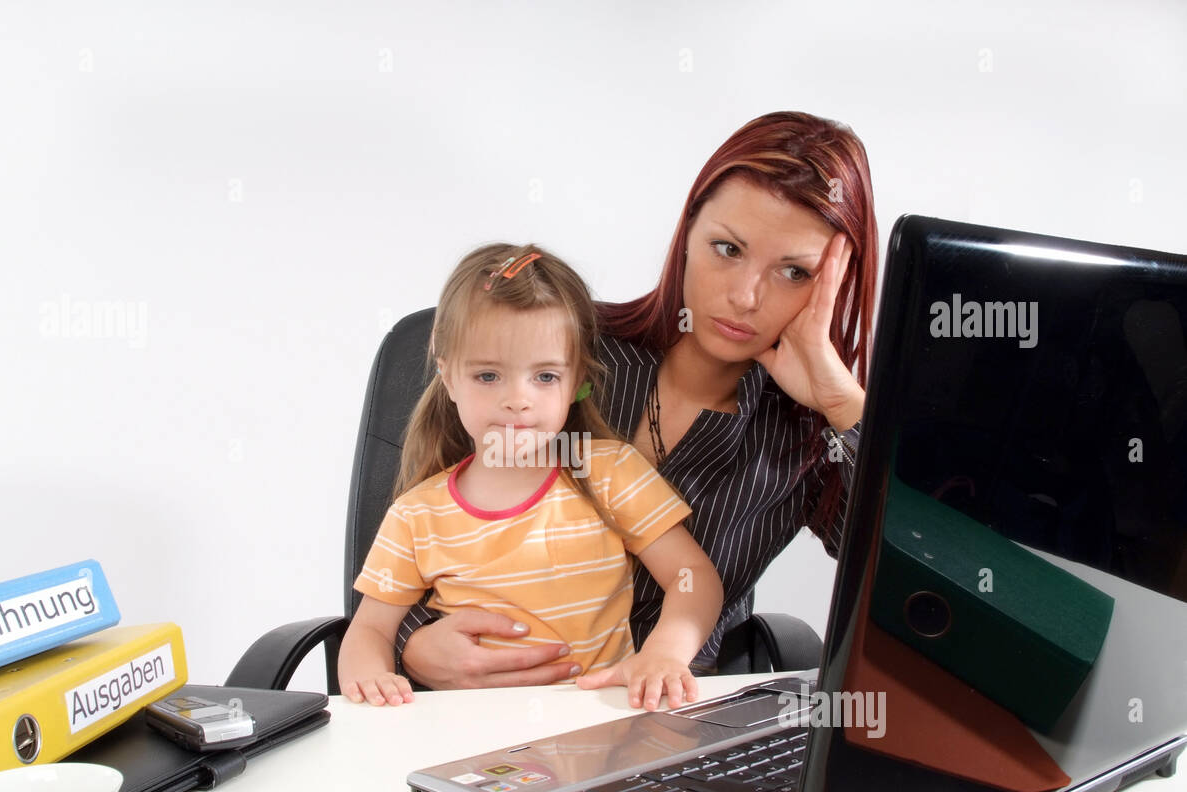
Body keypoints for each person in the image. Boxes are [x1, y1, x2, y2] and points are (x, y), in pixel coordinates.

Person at [395, 111, 878, 689]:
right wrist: (414, 643)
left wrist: (846, 406)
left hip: (663, 721)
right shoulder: (558, 356)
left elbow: (919, 585)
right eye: (727, 248)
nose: (745, 296)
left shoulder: (811, 436)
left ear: (836, 282)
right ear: (687, 230)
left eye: (794, 272)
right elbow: (419, 529)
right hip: (474, 711)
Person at [337, 243, 724, 710]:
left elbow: (693, 577)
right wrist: (372, 684)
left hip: (601, 722)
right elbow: (370, 630)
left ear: (576, 378)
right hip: (469, 737)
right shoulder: (416, 515)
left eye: (543, 377)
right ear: (447, 373)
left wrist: (663, 654)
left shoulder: (608, 472)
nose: (517, 400)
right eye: (487, 376)